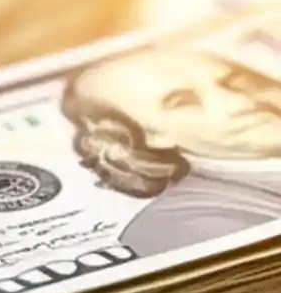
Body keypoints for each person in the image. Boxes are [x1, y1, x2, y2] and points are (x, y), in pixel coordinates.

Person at [61, 47, 281, 257]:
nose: (240, 103)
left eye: (234, 83)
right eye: (182, 102)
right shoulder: (181, 222)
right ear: (148, 134)